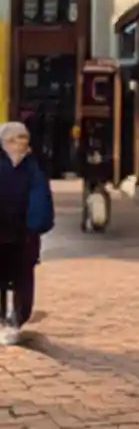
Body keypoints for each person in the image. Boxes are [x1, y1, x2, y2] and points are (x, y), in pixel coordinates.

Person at [0, 121, 54, 346]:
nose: (19, 143)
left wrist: (38, 222)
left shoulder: (33, 166)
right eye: (14, 139)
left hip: (25, 233)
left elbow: (42, 194)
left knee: (24, 277)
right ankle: (2, 320)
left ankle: (18, 319)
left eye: (23, 138)